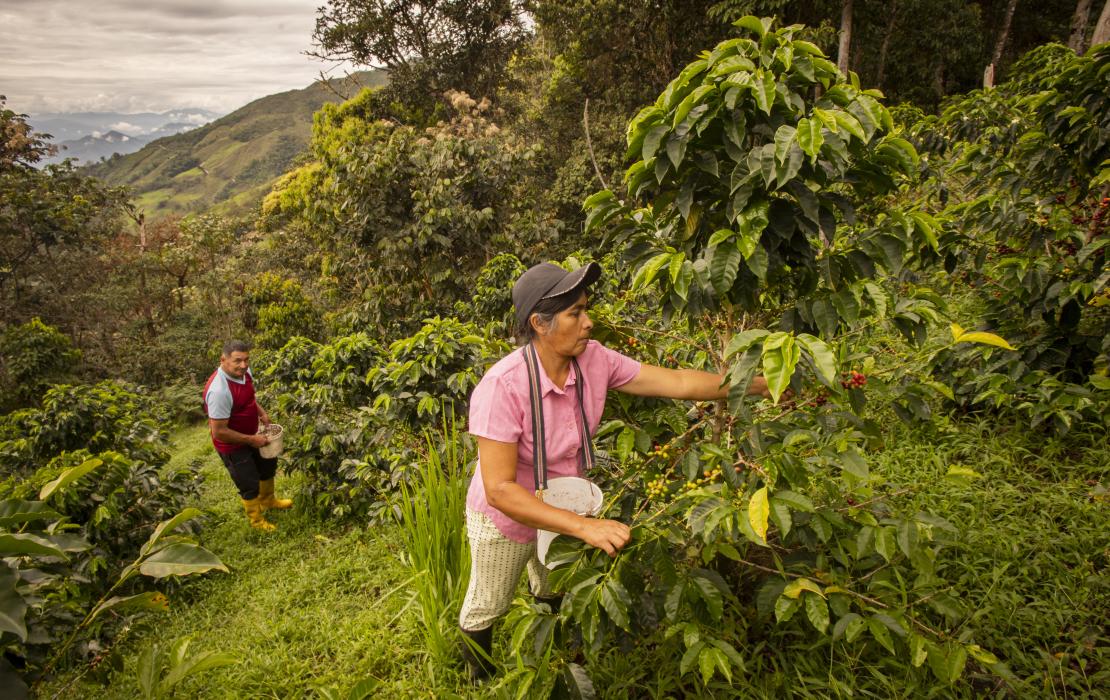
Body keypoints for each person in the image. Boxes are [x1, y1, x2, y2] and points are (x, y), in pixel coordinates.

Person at [458, 262, 773, 679]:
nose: (589, 323)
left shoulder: (595, 361)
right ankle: (477, 679)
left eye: (586, 309)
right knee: (489, 600)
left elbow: (678, 383)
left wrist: (761, 383)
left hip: (561, 496)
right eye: (575, 314)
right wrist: (583, 527)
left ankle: (548, 649)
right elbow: (500, 489)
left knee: (551, 581)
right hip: (505, 516)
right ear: (540, 324)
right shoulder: (502, 387)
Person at [203, 340, 293, 531]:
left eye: (246, 360)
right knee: (248, 481)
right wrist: (252, 440)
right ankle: (257, 521)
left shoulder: (244, 373)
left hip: (253, 434)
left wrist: (261, 413)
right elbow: (219, 432)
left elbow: (249, 398)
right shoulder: (219, 391)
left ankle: (268, 500)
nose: (243, 365)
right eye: (237, 361)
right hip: (233, 445)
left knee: (268, 465)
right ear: (223, 360)